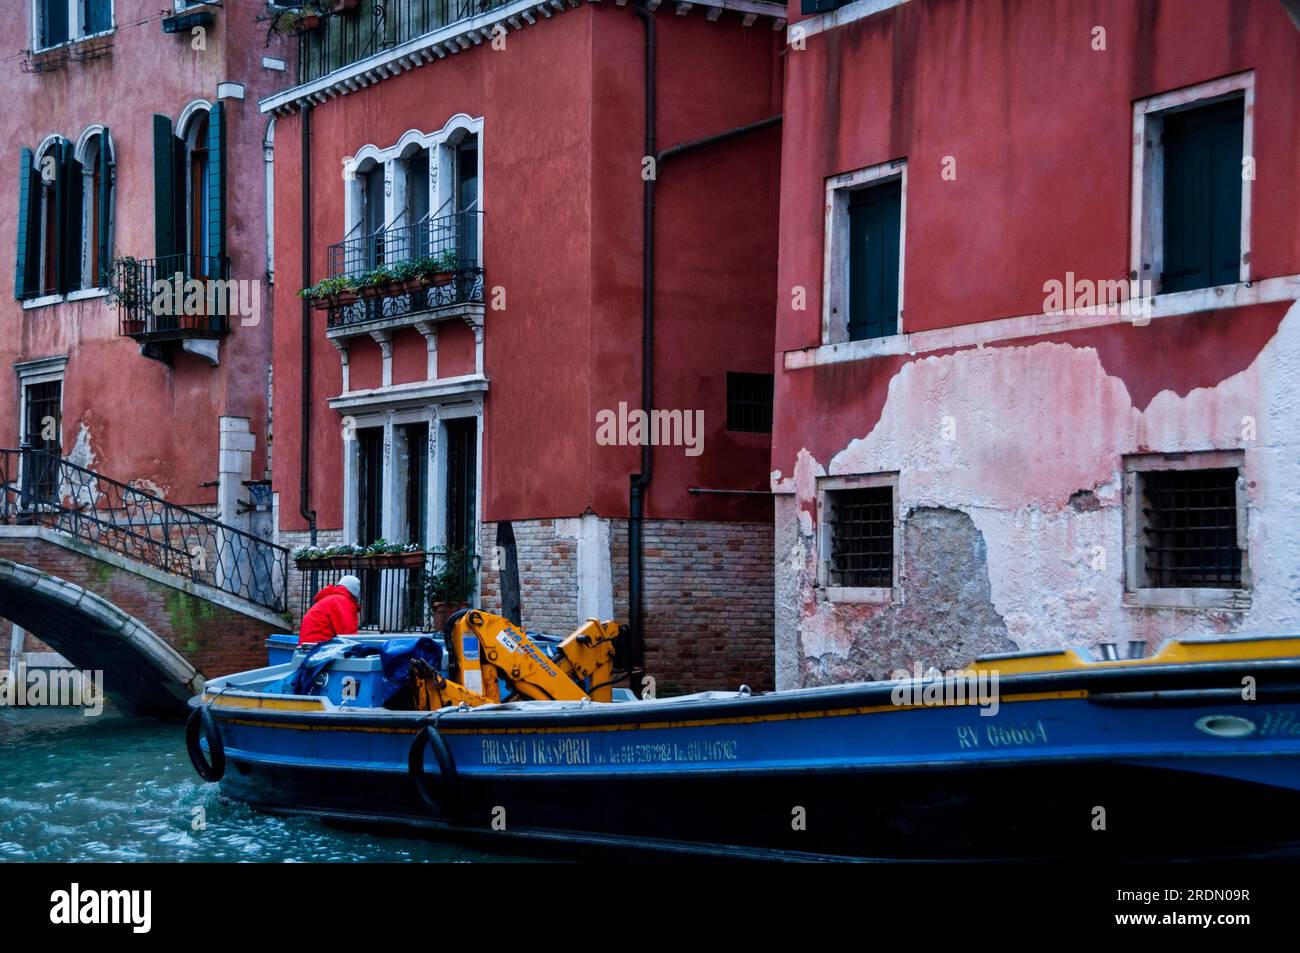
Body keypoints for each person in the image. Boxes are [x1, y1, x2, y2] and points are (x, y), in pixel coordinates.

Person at [298, 575, 362, 645]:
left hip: (309, 645)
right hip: (318, 649)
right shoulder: (342, 601)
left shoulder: (333, 599)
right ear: (355, 592)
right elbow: (348, 636)